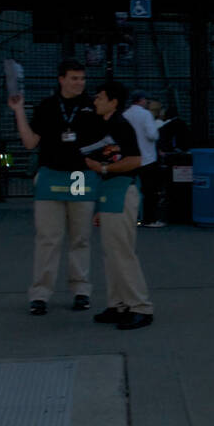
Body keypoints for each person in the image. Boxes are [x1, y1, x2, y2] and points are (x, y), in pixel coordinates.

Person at [8, 59, 101, 316]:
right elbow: (29, 143)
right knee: (48, 239)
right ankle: (40, 294)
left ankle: (81, 290)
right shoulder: (47, 107)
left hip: (81, 177)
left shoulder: (92, 107)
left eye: (82, 78)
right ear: (61, 79)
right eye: (74, 78)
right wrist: (18, 111)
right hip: (51, 177)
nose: (79, 83)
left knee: (80, 238)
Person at [83, 81, 154, 330]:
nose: (95, 101)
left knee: (121, 251)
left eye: (100, 97)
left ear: (113, 101)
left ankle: (140, 307)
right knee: (111, 252)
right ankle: (119, 304)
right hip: (111, 191)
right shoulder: (109, 125)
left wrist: (102, 167)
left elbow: (135, 160)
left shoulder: (121, 126)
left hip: (123, 189)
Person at [123, 90, 163, 228]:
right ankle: (149, 219)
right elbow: (152, 135)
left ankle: (129, 218)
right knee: (150, 191)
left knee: (128, 189)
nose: (147, 102)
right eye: (146, 100)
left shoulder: (125, 115)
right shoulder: (146, 114)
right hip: (147, 158)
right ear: (141, 100)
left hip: (130, 158)